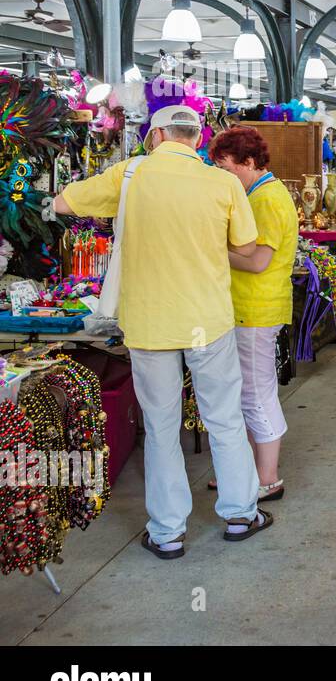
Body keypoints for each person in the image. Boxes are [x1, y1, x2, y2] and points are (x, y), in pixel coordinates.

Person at [54, 105, 272, 559]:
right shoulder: (224, 182)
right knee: (224, 419)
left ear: (155, 136)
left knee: (160, 427)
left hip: (150, 322)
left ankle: (168, 531)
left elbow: (62, 203)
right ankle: (240, 513)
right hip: (206, 321)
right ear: (196, 139)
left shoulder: (130, 175)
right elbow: (247, 247)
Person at [207, 126, 299, 502]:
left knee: (257, 394)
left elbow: (259, 261)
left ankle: (267, 477)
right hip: (248, 308)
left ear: (248, 162)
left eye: (226, 168)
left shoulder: (266, 200)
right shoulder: (259, 194)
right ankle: (242, 471)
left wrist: (210, 250)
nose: (223, 176)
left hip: (257, 309)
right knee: (248, 391)